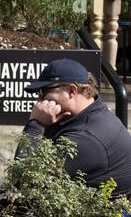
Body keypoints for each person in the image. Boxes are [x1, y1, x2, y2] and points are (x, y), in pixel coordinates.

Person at [14, 59, 131, 199]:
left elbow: (24, 181)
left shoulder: (87, 137)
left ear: (72, 90)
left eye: (44, 91)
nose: (40, 100)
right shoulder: (88, 115)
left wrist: (36, 124)